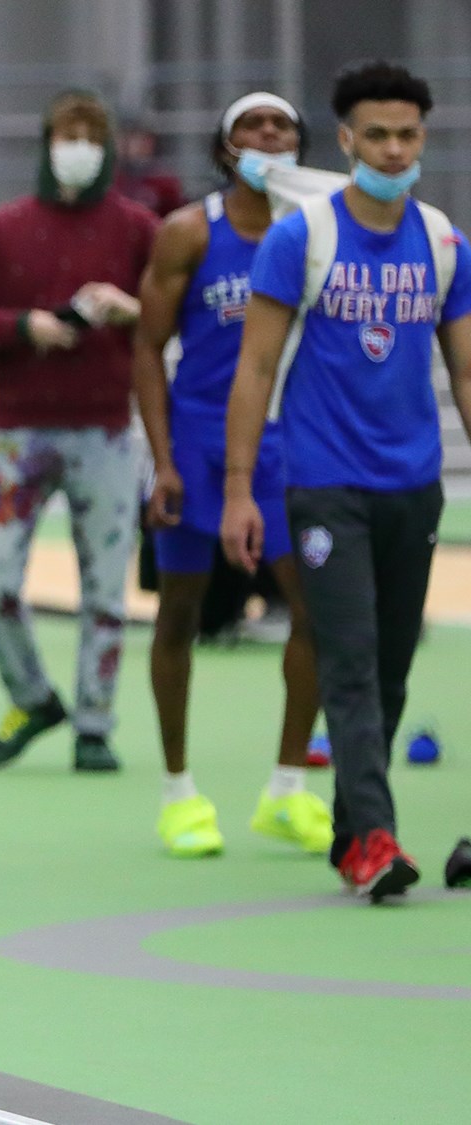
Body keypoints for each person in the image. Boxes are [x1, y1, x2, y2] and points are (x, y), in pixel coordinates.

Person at [221, 61, 471, 901]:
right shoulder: (301, 238)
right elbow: (256, 368)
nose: (394, 150)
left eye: (408, 135)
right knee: (351, 658)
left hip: (414, 484)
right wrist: (240, 489)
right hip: (324, 482)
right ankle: (375, 837)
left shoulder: (442, 242)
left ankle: (350, 830)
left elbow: (466, 371)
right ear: (347, 141)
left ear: (422, 138)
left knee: (392, 667)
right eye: (378, 135)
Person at [132, 92, 332, 858]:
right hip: (197, 444)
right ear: (225, 148)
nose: (269, 135)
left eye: (283, 125)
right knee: (180, 612)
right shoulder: (189, 231)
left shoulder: (318, 232)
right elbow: (147, 347)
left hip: (284, 446)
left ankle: (287, 787)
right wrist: (163, 459)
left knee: (313, 607)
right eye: (253, 125)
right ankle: (177, 791)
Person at [0, 90, 159, 773]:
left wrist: (131, 309)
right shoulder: (4, 227)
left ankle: (95, 723)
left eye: (91, 137)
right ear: (46, 143)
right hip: (20, 432)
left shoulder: (138, 227)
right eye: (68, 136)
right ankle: (34, 697)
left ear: (108, 148)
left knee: (106, 592)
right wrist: (24, 325)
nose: (79, 149)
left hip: (105, 430)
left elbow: (176, 313)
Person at [113, 123, 188, 219]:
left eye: (137, 140)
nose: (128, 145)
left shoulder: (162, 179)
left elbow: (177, 214)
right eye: (124, 138)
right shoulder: (114, 178)